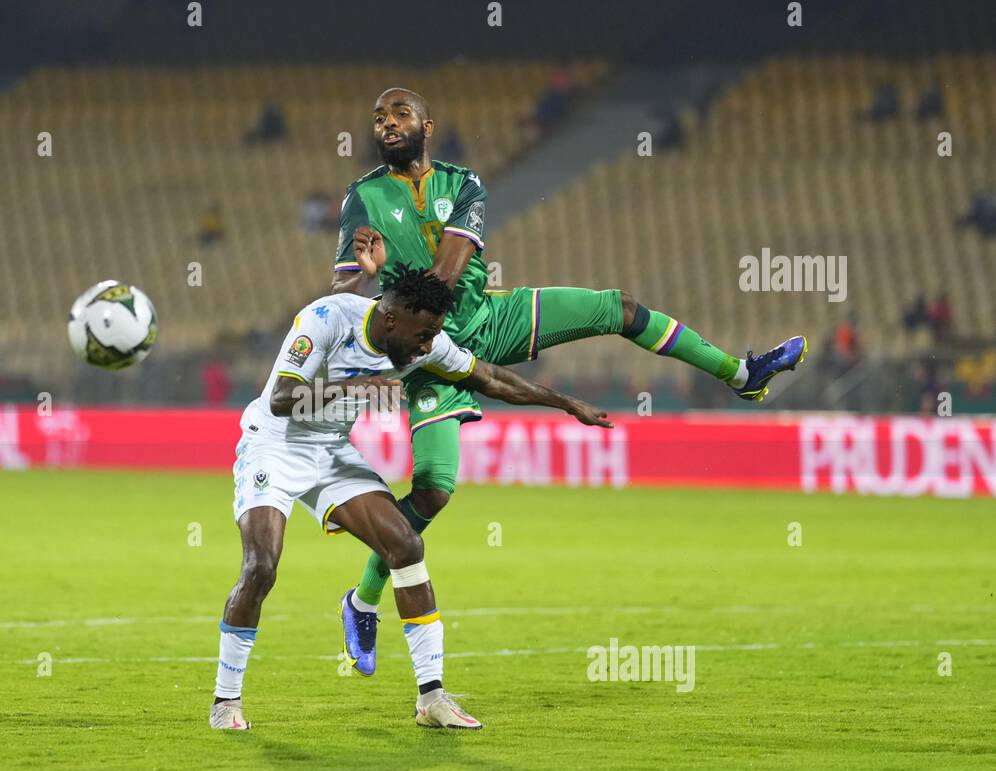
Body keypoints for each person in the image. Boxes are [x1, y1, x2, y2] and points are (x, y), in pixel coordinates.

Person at [330, 88, 807, 674]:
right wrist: (367, 284)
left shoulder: (465, 184)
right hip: (428, 351)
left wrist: (394, 287)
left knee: (619, 309)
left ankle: (742, 375)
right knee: (432, 489)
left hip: (489, 318)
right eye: (378, 117)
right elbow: (344, 296)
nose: (387, 124)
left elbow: (451, 275)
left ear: (427, 125)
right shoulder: (362, 197)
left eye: (400, 114)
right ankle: (361, 602)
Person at [211, 264, 612, 730]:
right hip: (274, 444)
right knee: (261, 567)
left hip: (331, 450)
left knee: (405, 546)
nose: (428, 346)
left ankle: (432, 699)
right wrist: (357, 387)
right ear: (391, 319)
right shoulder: (326, 318)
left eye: (434, 336)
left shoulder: (422, 340)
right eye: (423, 335)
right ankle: (226, 701)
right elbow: (283, 398)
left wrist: (564, 402)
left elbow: (489, 379)